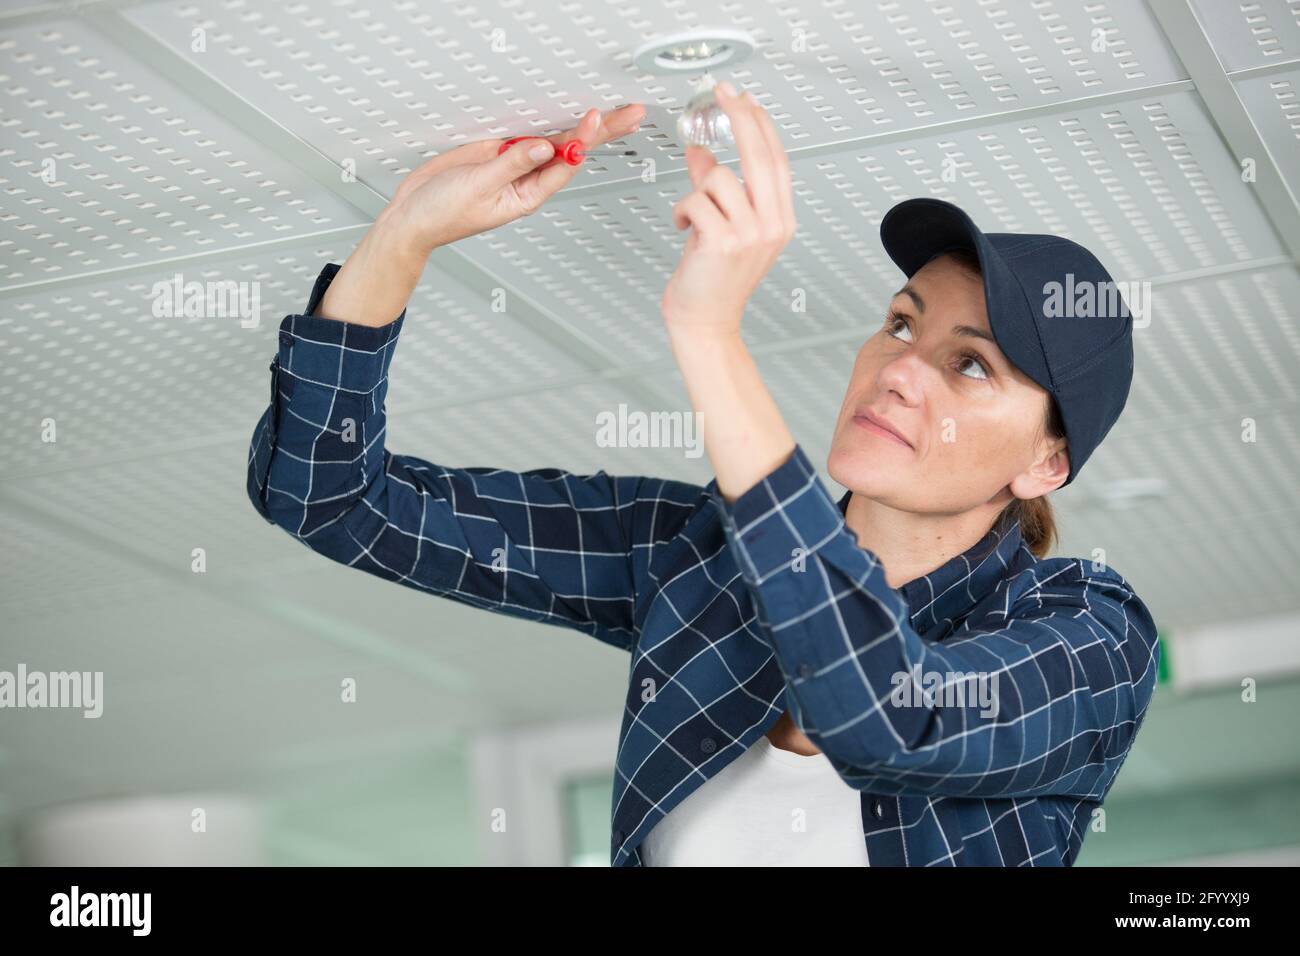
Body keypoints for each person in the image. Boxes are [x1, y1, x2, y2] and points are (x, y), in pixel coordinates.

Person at [246, 85, 1159, 866]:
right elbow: (329, 496)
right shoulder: (693, 560)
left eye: (971, 366)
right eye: (900, 324)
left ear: (1048, 462)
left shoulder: (1091, 636)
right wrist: (404, 237)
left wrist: (709, 333)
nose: (900, 369)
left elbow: (889, 713)